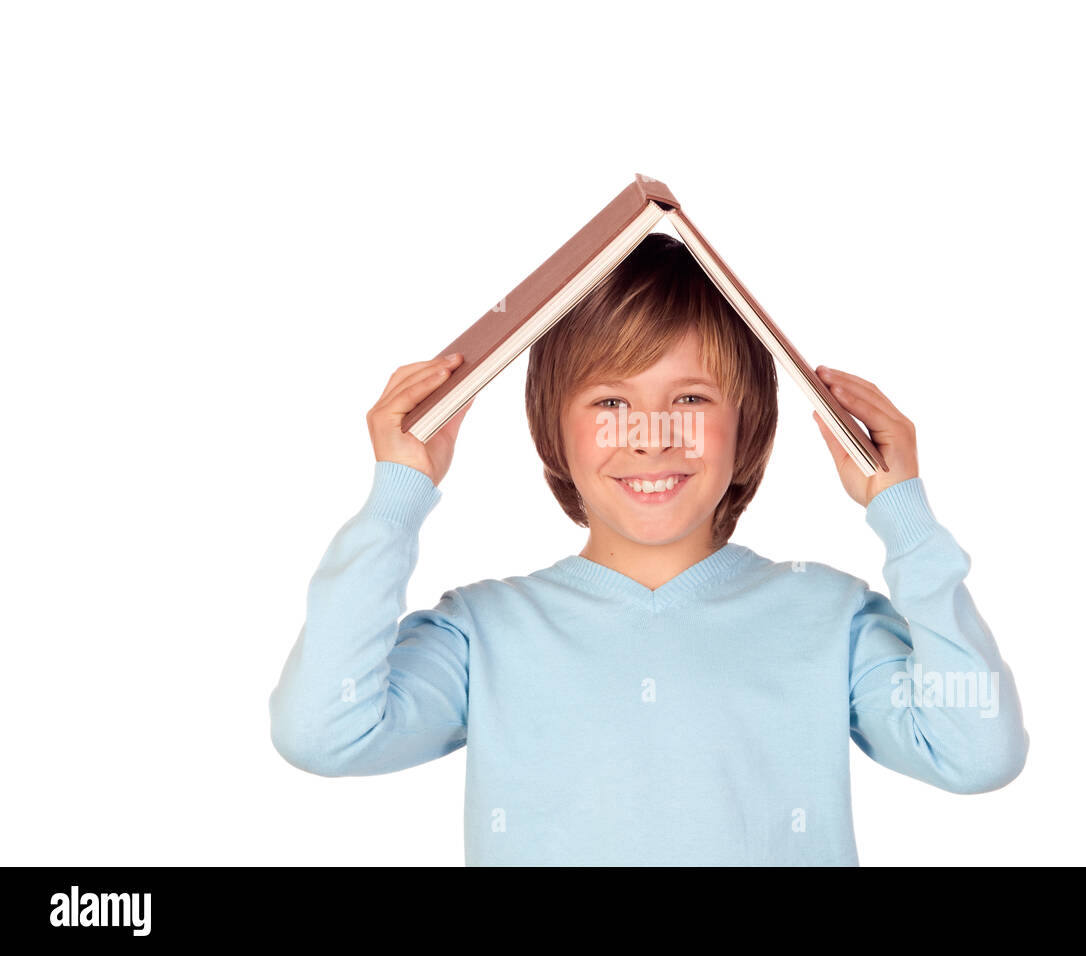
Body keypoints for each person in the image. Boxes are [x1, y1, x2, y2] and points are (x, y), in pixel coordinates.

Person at [268, 233, 1029, 866]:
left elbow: (979, 751)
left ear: (749, 422)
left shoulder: (829, 616)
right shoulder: (485, 632)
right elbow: (320, 732)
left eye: (691, 399)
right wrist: (397, 498)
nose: (652, 434)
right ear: (553, 427)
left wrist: (905, 518)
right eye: (610, 402)